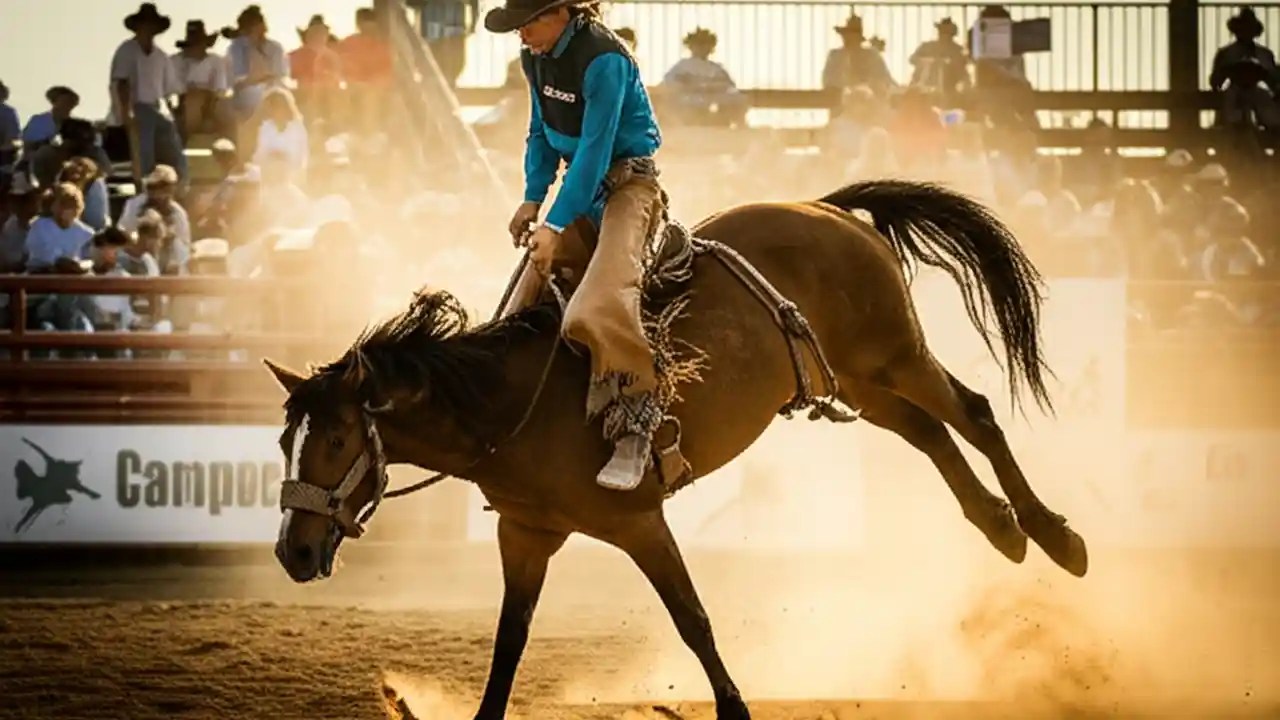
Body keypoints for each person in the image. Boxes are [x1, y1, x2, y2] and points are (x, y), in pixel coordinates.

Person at [487, 0, 666, 491]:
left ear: (561, 12)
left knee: (600, 303)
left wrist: (556, 221)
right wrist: (531, 197)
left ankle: (634, 430)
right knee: (518, 303)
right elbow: (540, 133)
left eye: (529, 23)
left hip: (629, 188)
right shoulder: (535, 57)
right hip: (580, 192)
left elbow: (595, 148)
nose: (522, 35)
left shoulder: (606, 59)